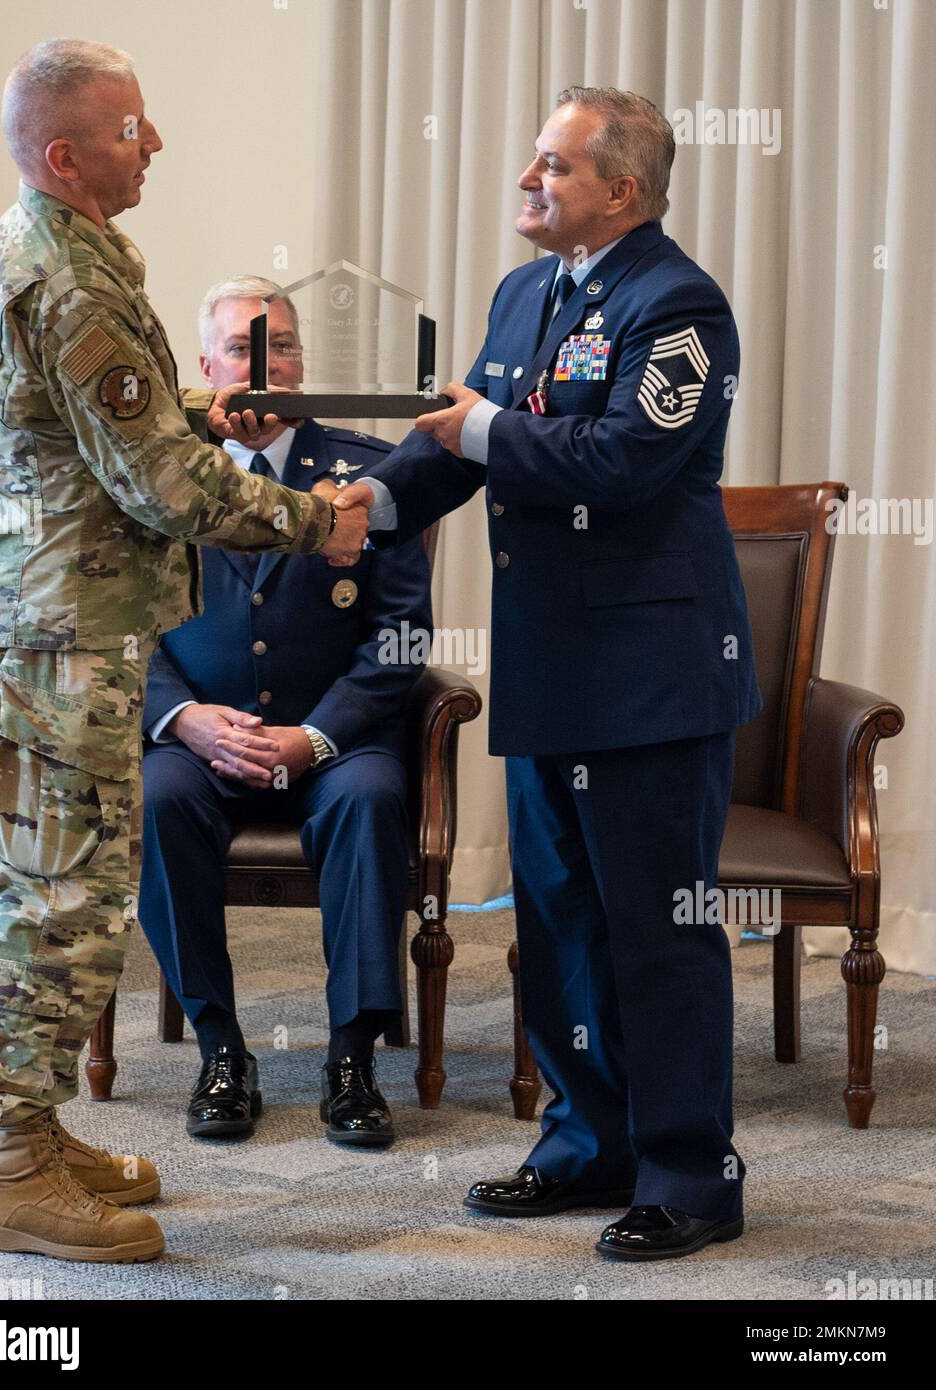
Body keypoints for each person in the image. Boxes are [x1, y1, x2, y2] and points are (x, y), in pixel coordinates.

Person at [310, 88, 763, 1261]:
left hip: (655, 674)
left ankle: (690, 1175)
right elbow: (454, 444)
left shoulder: (681, 305)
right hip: (553, 668)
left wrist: (469, 435)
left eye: (554, 165)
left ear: (621, 188)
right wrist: (376, 498)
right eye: (533, 160)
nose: (527, 179)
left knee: (657, 929)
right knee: (557, 920)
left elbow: (619, 460)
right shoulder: (527, 294)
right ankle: (585, 1143)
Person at [0, 39, 366, 1265]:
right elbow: (165, 486)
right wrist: (309, 516)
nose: (158, 144)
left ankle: (13, 1129)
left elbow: (101, 430)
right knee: (64, 893)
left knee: (48, 874)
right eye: (134, 130)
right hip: (65, 627)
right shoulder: (68, 279)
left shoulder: (47, 245)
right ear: (69, 153)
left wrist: (194, 412)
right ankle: (14, 1167)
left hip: (56, 613)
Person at [139, 276, 432, 1146]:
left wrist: (314, 737)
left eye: (286, 348)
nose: (268, 369)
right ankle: (222, 1050)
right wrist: (183, 719)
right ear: (206, 370)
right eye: (243, 350)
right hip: (199, 740)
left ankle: (353, 1059)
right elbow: (126, 627)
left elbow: (401, 640)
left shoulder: (372, 473)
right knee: (156, 803)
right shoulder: (161, 476)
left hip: (335, 743)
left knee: (371, 801)